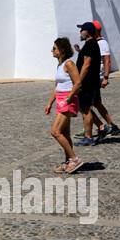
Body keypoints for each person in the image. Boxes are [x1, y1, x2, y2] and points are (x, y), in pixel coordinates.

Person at [45, 37, 84, 175]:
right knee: (65, 134)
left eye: (54, 48)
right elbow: (57, 87)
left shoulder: (69, 64)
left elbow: (78, 82)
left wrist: (69, 98)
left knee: (55, 131)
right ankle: (68, 162)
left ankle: (74, 159)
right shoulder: (60, 65)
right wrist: (50, 102)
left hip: (68, 100)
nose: (52, 50)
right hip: (61, 99)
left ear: (61, 50)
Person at [91, 21, 120, 138]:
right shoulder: (96, 43)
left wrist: (105, 77)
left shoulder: (102, 43)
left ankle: (99, 127)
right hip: (94, 77)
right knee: (96, 103)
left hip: (96, 77)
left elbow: (107, 60)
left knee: (84, 105)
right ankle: (111, 125)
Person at [73, 23, 103, 145]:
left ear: (88, 32)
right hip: (89, 81)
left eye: (82, 30)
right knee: (84, 108)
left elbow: (87, 64)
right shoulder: (90, 44)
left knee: (85, 109)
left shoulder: (90, 44)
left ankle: (88, 137)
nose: (80, 32)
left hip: (87, 82)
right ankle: (99, 128)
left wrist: (79, 81)